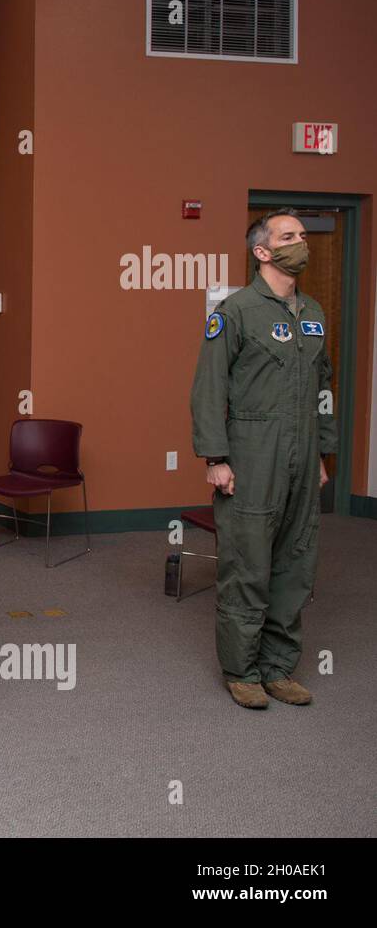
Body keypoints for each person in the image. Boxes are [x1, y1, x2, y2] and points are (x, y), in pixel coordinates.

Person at [191, 208, 335, 709]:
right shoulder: (236, 312)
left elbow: (323, 390)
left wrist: (322, 453)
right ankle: (242, 670)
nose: (301, 242)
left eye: (303, 235)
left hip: (302, 456)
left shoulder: (314, 313)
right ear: (262, 251)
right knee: (248, 566)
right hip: (252, 455)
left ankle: (278, 667)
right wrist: (215, 456)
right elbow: (208, 389)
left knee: (296, 564)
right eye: (289, 236)